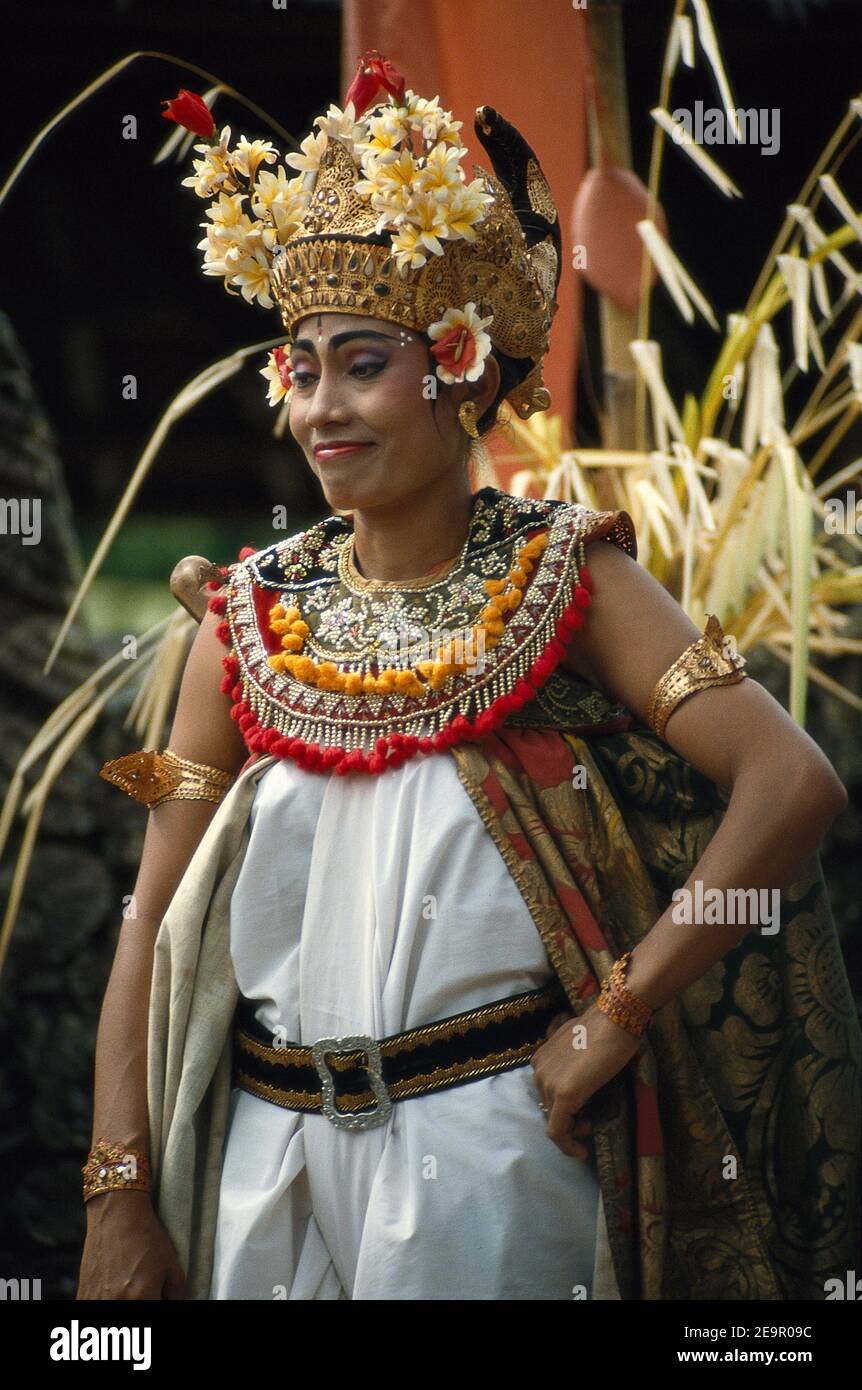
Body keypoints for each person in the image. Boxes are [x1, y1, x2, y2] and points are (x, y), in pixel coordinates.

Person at [77, 55, 860, 1301]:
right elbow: (151, 934)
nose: (318, 406)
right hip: (263, 1166)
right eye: (300, 364)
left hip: (492, 1155)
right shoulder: (244, 616)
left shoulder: (566, 576)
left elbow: (789, 783)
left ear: (462, 366)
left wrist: (618, 1014)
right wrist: (118, 1189)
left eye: (363, 363)